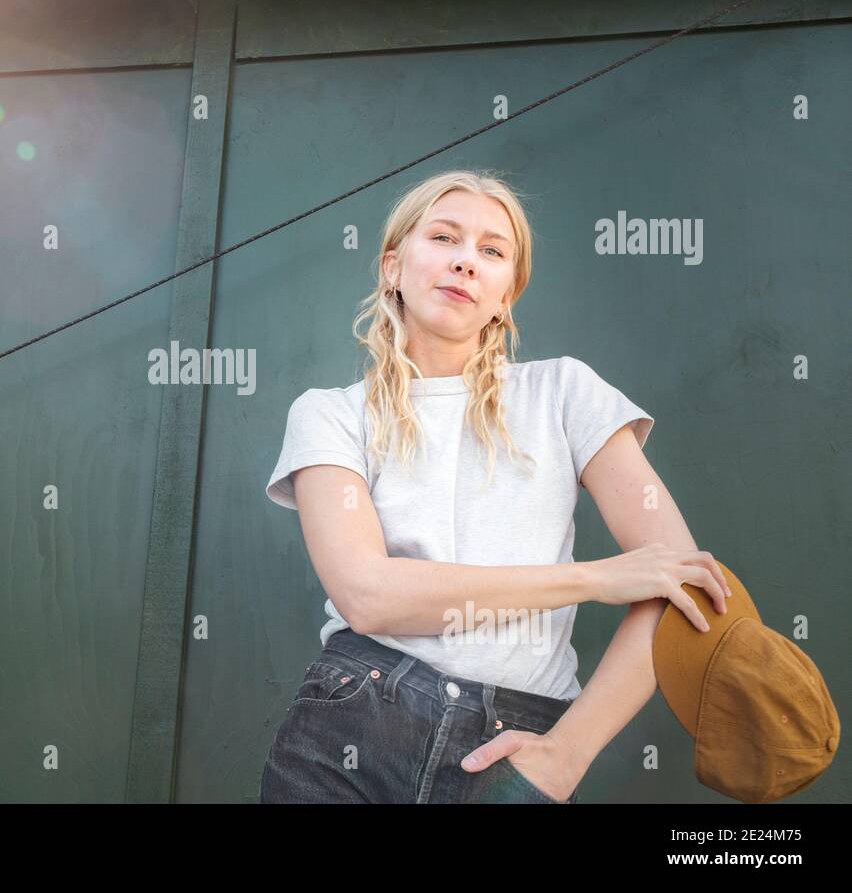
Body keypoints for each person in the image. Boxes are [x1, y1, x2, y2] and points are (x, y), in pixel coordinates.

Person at [259, 169, 728, 804]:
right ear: (393, 267)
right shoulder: (331, 414)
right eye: (445, 237)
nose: (466, 263)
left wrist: (568, 752)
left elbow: (682, 582)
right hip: (354, 726)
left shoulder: (564, 392)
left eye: (492, 251)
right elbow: (368, 595)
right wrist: (596, 579)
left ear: (508, 293)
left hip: (521, 745)